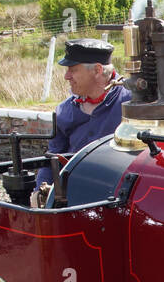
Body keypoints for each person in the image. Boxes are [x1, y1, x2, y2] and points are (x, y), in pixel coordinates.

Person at [35, 38, 132, 205]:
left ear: (97, 70)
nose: (66, 76)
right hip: (75, 196)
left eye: (72, 70)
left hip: (117, 197)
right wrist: (39, 192)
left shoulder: (131, 103)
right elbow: (53, 157)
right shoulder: (64, 110)